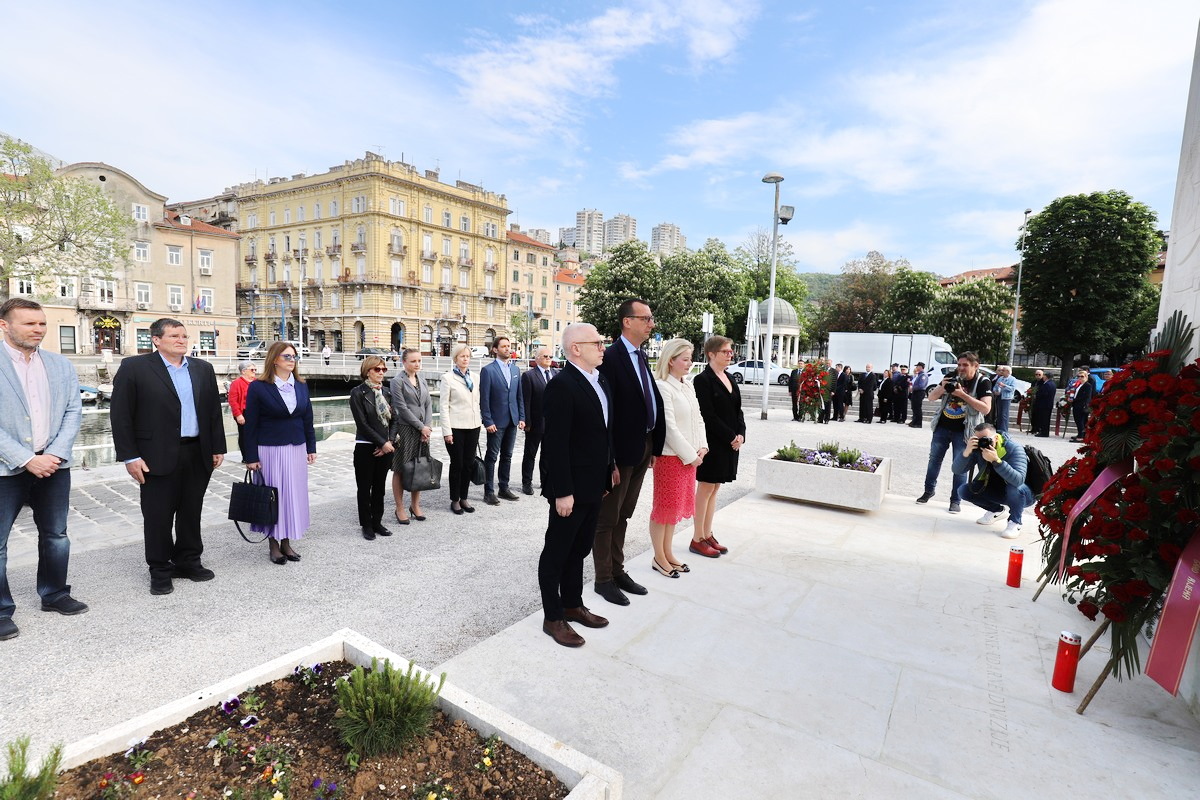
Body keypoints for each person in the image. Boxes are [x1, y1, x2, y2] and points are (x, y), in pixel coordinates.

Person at [111, 317, 226, 595]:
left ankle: (188, 561)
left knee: (191, 512)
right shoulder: (134, 368)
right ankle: (160, 569)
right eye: (174, 336)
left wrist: (217, 446)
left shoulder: (202, 368)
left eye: (184, 336)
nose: (181, 340)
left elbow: (213, 411)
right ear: (156, 340)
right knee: (158, 515)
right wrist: (130, 456)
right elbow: (121, 415)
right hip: (154, 455)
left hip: (196, 451)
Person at [0, 298, 86, 640]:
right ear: (4, 325)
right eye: (29, 324)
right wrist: (25, 458)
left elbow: (73, 412)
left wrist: (55, 453)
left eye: (42, 323)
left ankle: (54, 593)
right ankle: (2, 610)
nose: (38, 329)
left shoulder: (60, 365)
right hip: (6, 468)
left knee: (56, 534)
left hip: (53, 464)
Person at [538, 323, 616, 647]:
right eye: (597, 342)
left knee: (580, 549)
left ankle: (573, 604)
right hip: (570, 488)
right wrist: (562, 491)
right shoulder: (562, 386)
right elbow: (555, 445)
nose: (603, 347)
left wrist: (610, 466)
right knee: (557, 552)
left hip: (595, 482)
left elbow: (602, 431)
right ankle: (553, 617)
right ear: (575, 349)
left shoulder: (600, 381)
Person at [593, 298, 665, 606]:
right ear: (627, 322)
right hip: (620, 452)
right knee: (607, 518)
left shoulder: (641, 356)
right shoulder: (610, 357)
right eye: (646, 318)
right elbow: (605, 413)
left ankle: (618, 570)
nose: (651, 324)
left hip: (642, 448)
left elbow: (649, 400)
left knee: (624, 514)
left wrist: (654, 446)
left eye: (651, 318)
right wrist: (609, 460)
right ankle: (603, 579)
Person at [242, 342, 317, 564]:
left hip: (296, 448)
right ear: (274, 359)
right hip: (270, 450)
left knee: (292, 495)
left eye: (294, 356)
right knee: (274, 497)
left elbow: (308, 419)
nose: (292, 360)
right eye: (287, 356)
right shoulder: (259, 387)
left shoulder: (301, 386)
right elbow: (251, 424)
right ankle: (273, 544)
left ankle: (286, 542)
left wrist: (311, 447)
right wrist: (251, 456)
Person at [649, 338, 707, 578]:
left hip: (690, 457)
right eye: (685, 359)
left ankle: (668, 552)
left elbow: (698, 418)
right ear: (671, 360)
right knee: (663, 508)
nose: (689, 363)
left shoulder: (687, 385)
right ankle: (659, 557)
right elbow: (669, 428)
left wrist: (702, 447)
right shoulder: (663, 386)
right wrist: (690, 455)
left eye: (690, 358)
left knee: (673, 510)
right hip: (671, 457)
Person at [916, 352, 993, 514]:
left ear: (976, 366)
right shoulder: (952, 376)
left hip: (965, 431)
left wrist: (962, 395)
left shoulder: (983, 381)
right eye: (959, 364)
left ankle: (955, 500)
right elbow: (931, 397)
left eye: (965, 365)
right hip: (942, 427)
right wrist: (942, 387)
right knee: (934, 461)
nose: (961, 368)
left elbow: (986, 408)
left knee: (960, 467)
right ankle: (928, 491)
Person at [692, 335, 745, 558]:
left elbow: (738, 410)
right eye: (725, 351)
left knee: (715, 488)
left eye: (731, 351)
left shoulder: (730, 377)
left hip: (730, 444)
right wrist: (730, 436)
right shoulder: (702, 380)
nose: (730, 354)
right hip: (713, 442)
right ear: (711, 354)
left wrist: (741, 434)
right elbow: (708, 415)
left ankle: (708, 533)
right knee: (705, 488)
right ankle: (697, 538)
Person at [952, 422, 1034, 539]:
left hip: (1024, 494)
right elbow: (957, 470)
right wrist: (966, 451)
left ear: (995, 438)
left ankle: (1015, 522)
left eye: (985, 439)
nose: (982, 442)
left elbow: (1018, 480)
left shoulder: (1013, 448)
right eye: (978, 439)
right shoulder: (978, 449)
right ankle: (996, 511)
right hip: (997, 490)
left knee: (1013, 486)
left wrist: (996, 461)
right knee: (964, 491)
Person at [349, 356, 396, 540]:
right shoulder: (357, 393)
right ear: (368, 371)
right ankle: (366, 525)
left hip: (385, 447)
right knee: (364, 487)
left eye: (384, 369)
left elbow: (395, 420)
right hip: (365, 447)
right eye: (377, 369)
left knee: (379, 487)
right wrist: (381, 443)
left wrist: (389, 443)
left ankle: (377, 522)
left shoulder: (387, 392)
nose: (382, 373)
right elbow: (362, 424)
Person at [479, 336, 525, 505]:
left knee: (507, 456)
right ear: (495, 350)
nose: (508, 349)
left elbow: (519, 395)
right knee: (491, 457)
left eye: (509, 346)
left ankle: (503, 488)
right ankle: (489, 491)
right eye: (504, 346)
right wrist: (488, 421)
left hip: (513, 420)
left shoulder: (516, 370)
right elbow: (484, 399)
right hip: (496, 422)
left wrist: (522, 417)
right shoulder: (488, 371)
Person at [390, 348, 433, 524]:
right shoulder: (397, 381)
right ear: (404, 362)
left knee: (419, 467)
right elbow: (401, 408)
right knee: (401, 468)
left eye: (419, 361)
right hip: (406, 429)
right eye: (413, 361)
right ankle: (399, 507)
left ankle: (415, 505)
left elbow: (429, 404)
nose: (417, 364)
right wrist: (421, 426)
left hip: (422, 430)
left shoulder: (421, 379)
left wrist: (427, 427)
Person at [441, 343, 482, 515]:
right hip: (456, 427)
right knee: (457, 464)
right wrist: (447, 431)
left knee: (468, 464)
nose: (465, 359)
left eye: (467, 356)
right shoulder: (448, 378)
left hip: (473, 425)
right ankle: (455, 499)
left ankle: (464, 497)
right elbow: (443, 406)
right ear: (455, 359)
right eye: (462, 356)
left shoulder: (475, 376)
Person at [520, 347, 557, 495]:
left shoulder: (556, 374)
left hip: (552, 424)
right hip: (535, 423)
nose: (548, 358)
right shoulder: (529, 376)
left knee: (548, 455)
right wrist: (527, 422)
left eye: (550, 356)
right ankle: (526, 483)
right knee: (530, 454)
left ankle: (545, 481)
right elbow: (526, 401)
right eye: (545, 356)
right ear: (537, 359)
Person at [227, 360, 257, 460]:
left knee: (257, 433)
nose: (254, 372)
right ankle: (246, 456)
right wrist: (238, 415)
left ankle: (256, 454)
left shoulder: (257, 382)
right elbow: (232, 400)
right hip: (243, 412)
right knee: (244, 435)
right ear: (244, 371)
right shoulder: (236, 383)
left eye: (255, 369)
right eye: (252, 369)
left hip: (256, 412)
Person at [1067, 368, 1094, 442]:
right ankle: (1081, 434)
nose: (1080, 378)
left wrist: (1074, 400)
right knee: (1079, 421)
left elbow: (1086, 396)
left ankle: (1081, 437)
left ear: (1086, 377)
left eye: (1082, 376)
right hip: (1077, 404)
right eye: (1078, 376)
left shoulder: (1087, 385)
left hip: (1081, 405)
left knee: (1080, 421)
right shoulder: (1078, 385)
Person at [1029, 369, 1056, 438]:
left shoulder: (1047, 384)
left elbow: (1044, 394)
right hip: (1047, 404)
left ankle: (1044, 432)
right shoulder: (1052, 383)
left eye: (1043, 375)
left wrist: (1036, 395)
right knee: (1045, 419)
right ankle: (1043, 431)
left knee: (1044, 420)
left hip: (1044, 404)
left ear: (1046, 376)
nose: (1043, 377)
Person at [993, 365, 1017, 433]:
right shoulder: (1000, 378)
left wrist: (1004, 386)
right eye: (1001, 370)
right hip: (999, 396)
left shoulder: (1012, 379)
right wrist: (995, 391)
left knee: (1004, 414)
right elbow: (995, 386)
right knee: (999, 413)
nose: (1001, 372)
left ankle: (1004, 430)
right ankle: (998, 428)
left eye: (1003, 370)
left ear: (1008, 371)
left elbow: (1012, 389)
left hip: (1006, 398)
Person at [907, 362, 929, 428]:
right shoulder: (919, 375)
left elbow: (921, 385)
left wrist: (912, 388)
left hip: (919, 392)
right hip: (916, 392)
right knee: (914, 407)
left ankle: (918, 423)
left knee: (917, 408)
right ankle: (914, 421)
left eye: (917, 366)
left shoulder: (923, 375)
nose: (916, 367)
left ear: (921, 367)